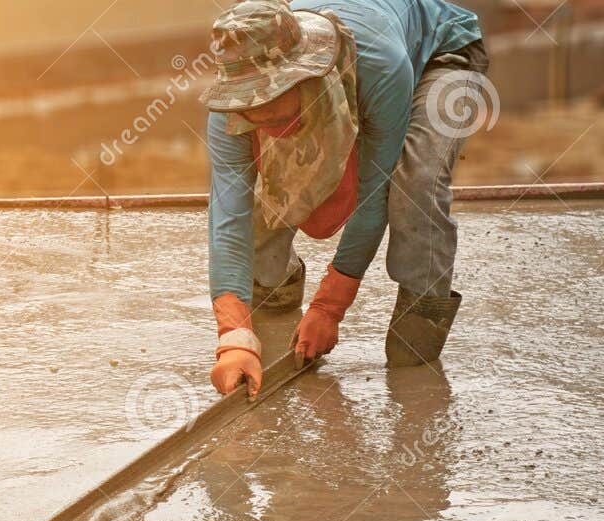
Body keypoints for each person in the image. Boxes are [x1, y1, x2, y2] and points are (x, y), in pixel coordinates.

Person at [202, 0, 488, 396]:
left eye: (268, 96)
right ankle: (275, 288)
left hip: (439, 55)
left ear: (304, 76)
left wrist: (329, 307)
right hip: (352, 70)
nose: (257, 108)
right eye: (248, 102)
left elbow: (375, 189)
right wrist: (234, 335)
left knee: (415, 182)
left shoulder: (379, 67)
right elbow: (229, 214)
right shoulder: (229, 114)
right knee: (264, 171)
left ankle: (422, 311)